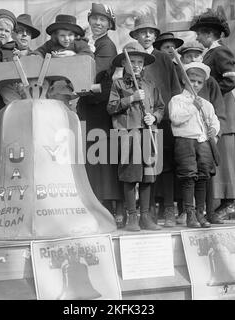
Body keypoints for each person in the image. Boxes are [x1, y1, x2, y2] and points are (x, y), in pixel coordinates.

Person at [190, 9, 235, 223]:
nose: (197, 38)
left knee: (226, 163)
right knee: (219, 162)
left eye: (200, 34)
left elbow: (230, 81)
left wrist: (207, 94)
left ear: (209, 34)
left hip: (224, 116)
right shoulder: (211, 53)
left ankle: (229, 205)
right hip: (217, 114)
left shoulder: (220, 51)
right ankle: (223, 205)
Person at [129, 15, 182, 228]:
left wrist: (170, 115)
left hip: (163, 119)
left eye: (151, 32)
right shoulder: (131, 60)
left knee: (166, 165)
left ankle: (169, 207)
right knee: (146, 166)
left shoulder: (164, 58)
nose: (147, 35)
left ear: (156, 35)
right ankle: (147, 210)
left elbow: (176, 90)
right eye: (143, 32)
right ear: (136, 35)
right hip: (139, 123)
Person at [107, 42, 165, 231]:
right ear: (124, 63)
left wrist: (153, 117)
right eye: (132, 61)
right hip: (127, 134)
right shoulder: (118, 84)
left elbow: (160, 107)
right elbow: (111, 107)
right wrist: (130, 99)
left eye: (140, 62)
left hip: (147, 133)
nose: (137, 65)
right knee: (130, 175)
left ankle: (145, 217)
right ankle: (132, 216)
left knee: (148, 176)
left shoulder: (150, 85)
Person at [76, 3, 124, 228]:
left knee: (102, 158)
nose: (97, 23)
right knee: (93, 158)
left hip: (100, 107)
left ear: (109, 24)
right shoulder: (90, 43)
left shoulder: (106, 46)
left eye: (103, 20)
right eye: (94, 18)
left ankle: (108, 206)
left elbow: (95, 76)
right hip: (89, 106)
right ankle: (98, 203)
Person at [177, 41, 227, 224]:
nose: (193, 59)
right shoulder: (181, 80)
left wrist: (215, 133)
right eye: (188, 56)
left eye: (196, 55)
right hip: (188, 137)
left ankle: (210, 212)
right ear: (182, 59)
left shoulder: (210, 82)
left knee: (207, 175)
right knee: (189, 175)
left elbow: (217, 111)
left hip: (207, 136)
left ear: (202, 57)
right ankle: (190, 212)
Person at [0, 13, 41, 170]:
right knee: (3, 164)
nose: (24, 34)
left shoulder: (38, 57)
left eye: (28, 32)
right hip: (4, 114)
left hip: (32, 118)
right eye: (20, 30)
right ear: (12, 34)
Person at [169, 62, 220, 228]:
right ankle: (189, 213)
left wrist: (214, 129)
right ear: (184, 80)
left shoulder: (206, 104)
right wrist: (193, 107)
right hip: (185, 142)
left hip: (203, 143)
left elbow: (215, 121)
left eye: (199, 82)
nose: (196, 84)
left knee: (203, 178)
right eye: (192, 80)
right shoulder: (177, 100)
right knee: (188, 177)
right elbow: (176, 118)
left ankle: (200, 213)